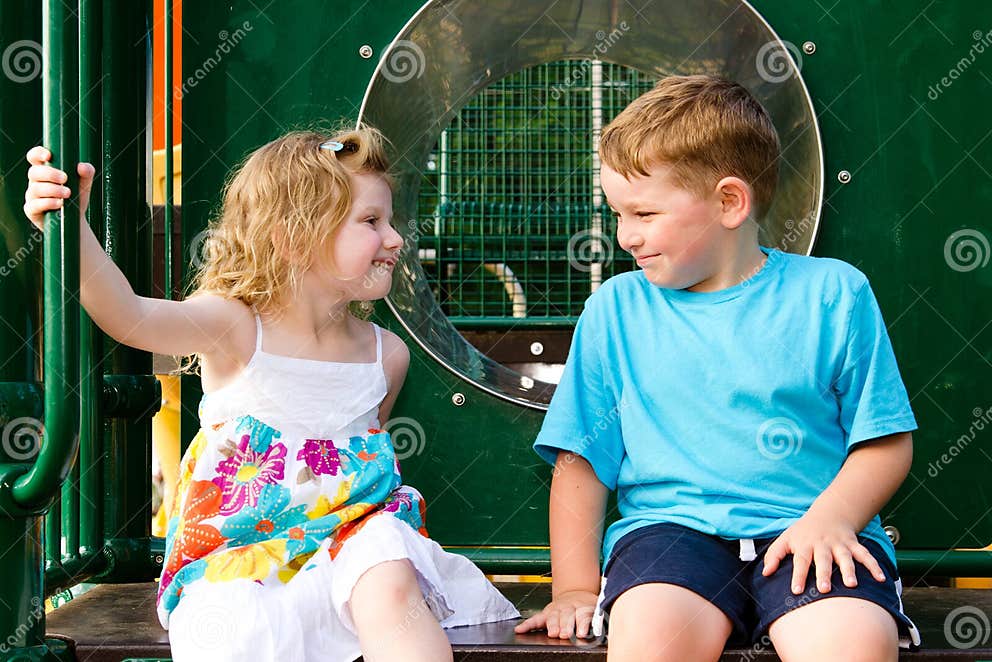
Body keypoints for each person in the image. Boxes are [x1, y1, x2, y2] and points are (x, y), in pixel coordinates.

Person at [23, 127, 519, 662]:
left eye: (390, 221)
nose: (395, 238)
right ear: (295, 235)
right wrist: (71, 228)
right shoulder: (235, 326)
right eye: (372, 222)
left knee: (386, 568)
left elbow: (355, 469)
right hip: (242, 554)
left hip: (353, 539)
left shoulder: (385, 354)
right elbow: (130, 316)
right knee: (239, 622)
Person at [513, 75, 920, 661]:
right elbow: (582, 460)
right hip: (672, 537)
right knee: (651, 637)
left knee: (850, 643)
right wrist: (574, 589)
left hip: (813, 529)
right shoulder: (616, 309)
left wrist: (832, 520)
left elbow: (885, 442)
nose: (625, 235)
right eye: (618, 213)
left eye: (644, 212)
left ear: (729, 202)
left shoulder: (833, 293)